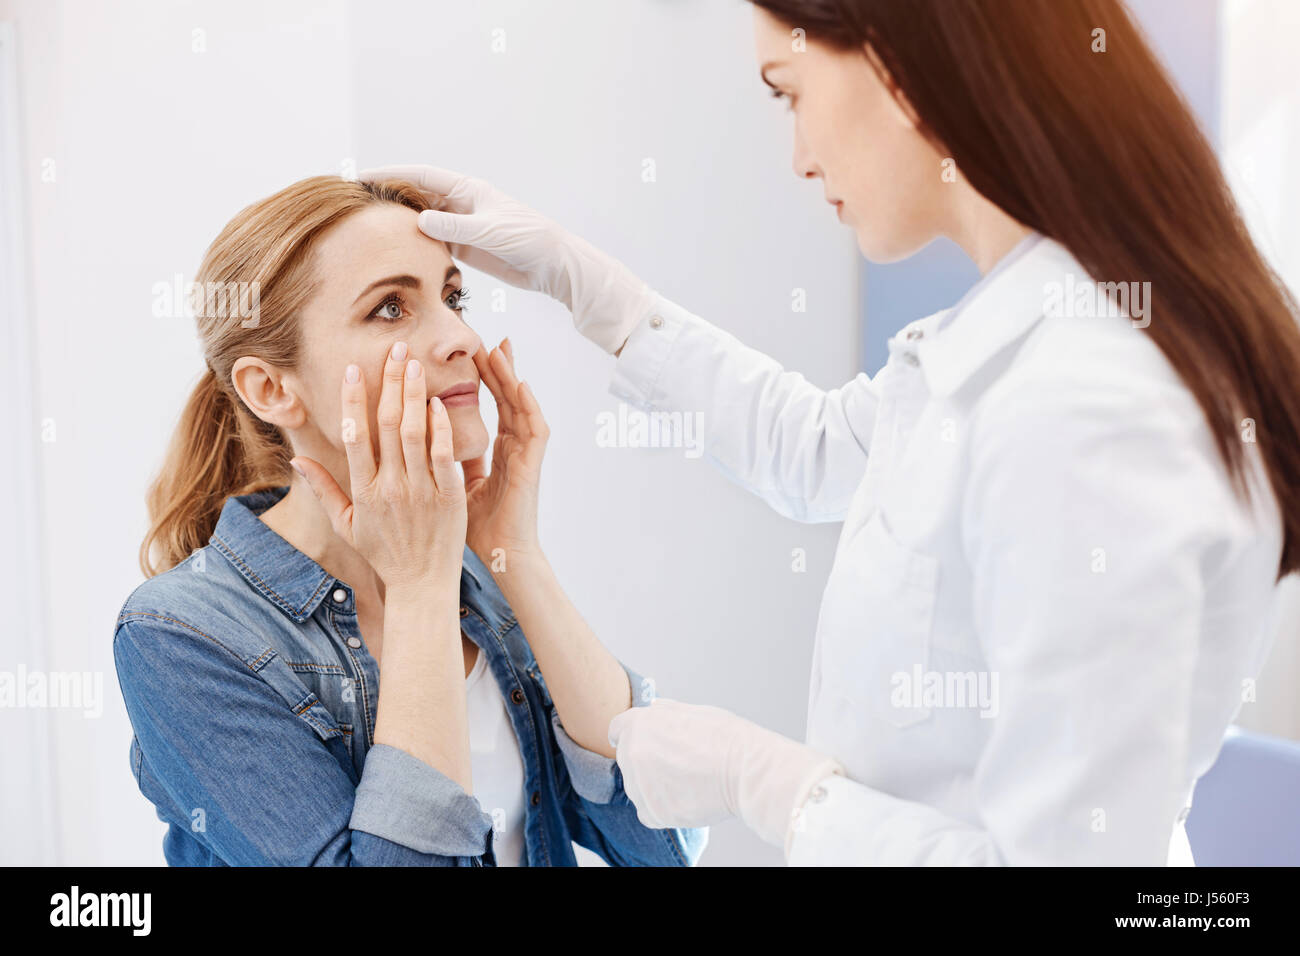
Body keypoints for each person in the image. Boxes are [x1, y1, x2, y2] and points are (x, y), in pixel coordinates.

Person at [362, 0, 1300, 865]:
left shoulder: (1085, 404)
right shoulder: (1018, 339)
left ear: (896, 66)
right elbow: (814, 452)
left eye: (790, 94)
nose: (800, 158)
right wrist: (578, 279)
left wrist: (770, 784)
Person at [113, 175, 707, 866]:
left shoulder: (478, 570)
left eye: (454, 297)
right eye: (391, 308)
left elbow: (662, 843)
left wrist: (516, 554)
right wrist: (421, 591)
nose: (460, 337)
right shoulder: (179, 634)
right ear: (272, 389)